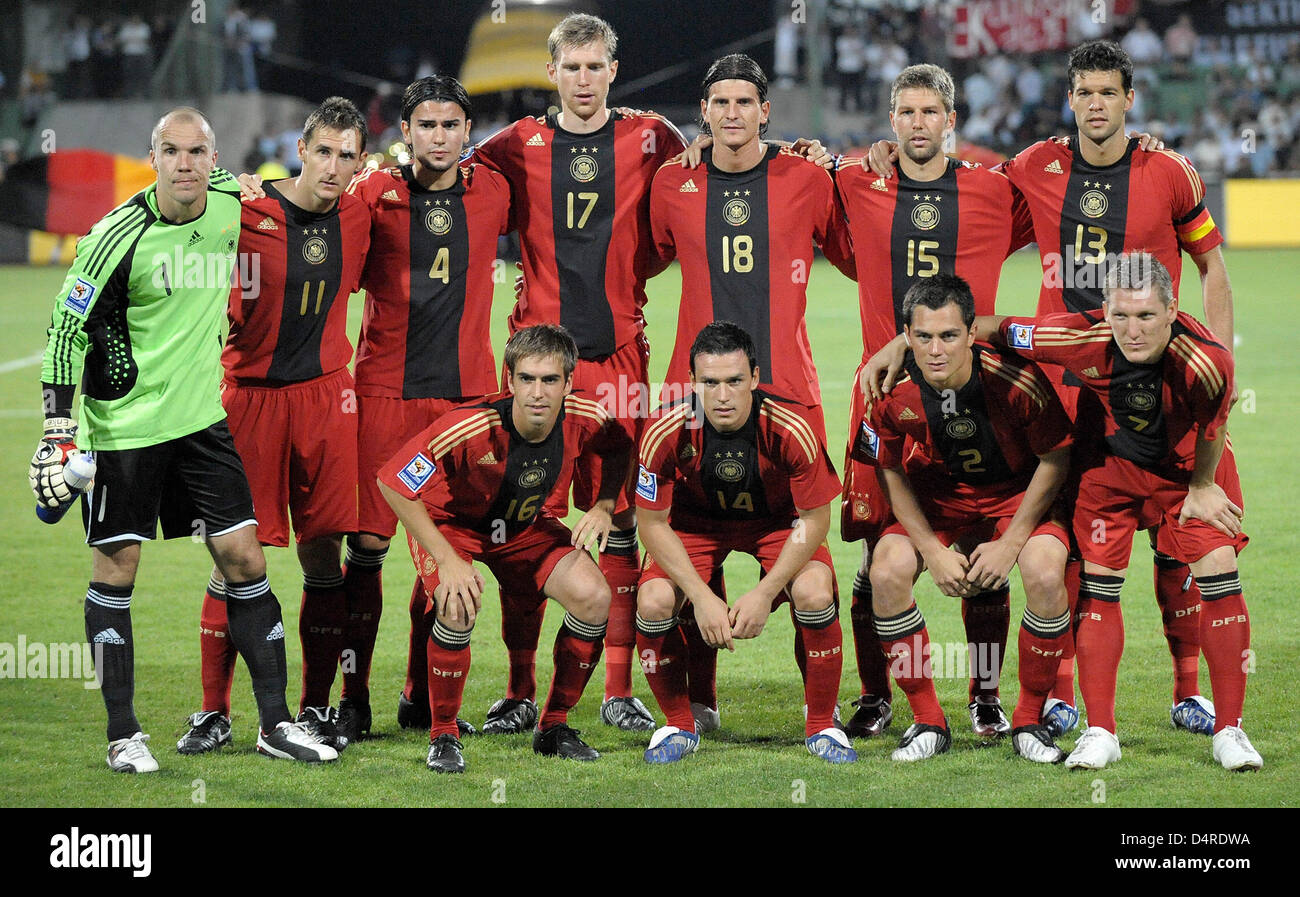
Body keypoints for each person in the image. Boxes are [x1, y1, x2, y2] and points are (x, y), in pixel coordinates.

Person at [31, 107, 336, 772]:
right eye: (171, 152)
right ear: (154, 157)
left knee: (245, 561)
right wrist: (58, 433)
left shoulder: (230, 197)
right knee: (117, 571)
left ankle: (276, 723)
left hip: (202, 422)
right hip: (124, 433)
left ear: (213, 157)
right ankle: (123, 733)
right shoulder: (114, 236)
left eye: (197, 151)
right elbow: (63, 330)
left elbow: (283, 184)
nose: (185, 164)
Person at [468, 13, 687, 733]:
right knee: (524, 517)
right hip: (540, 364)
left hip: (620, 355)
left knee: (621, 518)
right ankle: (521, 687)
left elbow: (689, 195)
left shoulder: (653, 137)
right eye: (572, 68)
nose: (584, 80)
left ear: (613, 71)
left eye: (596, 67)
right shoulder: (511, 145)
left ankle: (617, 688)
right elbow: (449, 178)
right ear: (552, 71)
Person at [966, 252, 1258, 772]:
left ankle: (1230, 731)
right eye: (1120, 315)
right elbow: (996, 328)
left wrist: (1204, 484)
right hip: (1110, 468)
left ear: (1172, 311)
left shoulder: (1208, 362)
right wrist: (904, 343)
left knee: (1220, 573)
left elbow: (1214, 426)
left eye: (1146, 316)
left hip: (1190, 469)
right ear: (1104, 310)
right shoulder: (1080, 338)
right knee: (1100, 586)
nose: (1132, 330)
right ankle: (1101, 731)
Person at [833, 63, 1031, 741]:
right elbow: (794, 170)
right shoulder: (858, 179)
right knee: (873, 560)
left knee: (983, 554)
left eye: (930, 112)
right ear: (891, 120)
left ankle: (984, 696)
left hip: (974, 402)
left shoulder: (994, 189)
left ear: (952, 119)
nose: (917, 124)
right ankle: (875, 695)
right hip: (882, 403)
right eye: (905, 113)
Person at [178, 98, 372, 756]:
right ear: (300, 148)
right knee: (235, 559)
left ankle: (315, 706)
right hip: (251, 402)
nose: (334, 166)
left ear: (361, 163)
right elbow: (178, 196)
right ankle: (213, 711)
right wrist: (228, 176)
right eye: (323, 151)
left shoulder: (364, 208)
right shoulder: (242, 208)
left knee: (324, 558)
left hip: (325, 401)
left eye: (347, 156)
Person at [378, 324, 633, 773]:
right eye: (527, 379)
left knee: (595, 597)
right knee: (458, 603)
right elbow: (394, 482)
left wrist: (605, 505)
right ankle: (443, 734)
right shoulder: (469, 427)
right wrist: (446, 559)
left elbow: (619, 446)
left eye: (550, 380)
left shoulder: (587, 416)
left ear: (569, 383)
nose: (538, 392)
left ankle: (553, 726)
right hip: (453, 527)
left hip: (524, 527)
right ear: (509, 380)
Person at [346, 76, 512, 738]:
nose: (439, 136)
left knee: (444, 554)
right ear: (404, 131)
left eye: (451, 125)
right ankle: (350, 699)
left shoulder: (497, 188)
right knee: (364, 550)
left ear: (467, 131)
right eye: (426, 125)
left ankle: (420, 697)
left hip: (464, 408)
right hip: (385, 398)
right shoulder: (372, 193)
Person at [855, 276, 1073, 763]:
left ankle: (1029, 720)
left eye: (949, 335)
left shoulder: (1014, 380)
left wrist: (1011, 543)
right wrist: (931, 549)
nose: (937, 350)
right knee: (885, 569)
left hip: (1017, 495)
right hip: (938, 497)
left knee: (1043, 567)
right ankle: (928, 720)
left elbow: (1056, 458)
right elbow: (887, 465)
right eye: (925, 336)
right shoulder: (890, 389)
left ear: (972, 333)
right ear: (906, 338)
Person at [634, 322, 851, 764]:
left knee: (812, 590)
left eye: (734, 381)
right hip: (695, 526)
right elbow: (652, 523)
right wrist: (700, 596)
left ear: (754, 377)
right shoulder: (665, 429)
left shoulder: (792, 426)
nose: (723, 396)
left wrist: (765, 592)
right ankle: (682, 721)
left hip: (777, 523)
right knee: (654, 600)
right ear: (692, 382)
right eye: (710, 383)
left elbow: (815, 518)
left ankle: (822, 723)